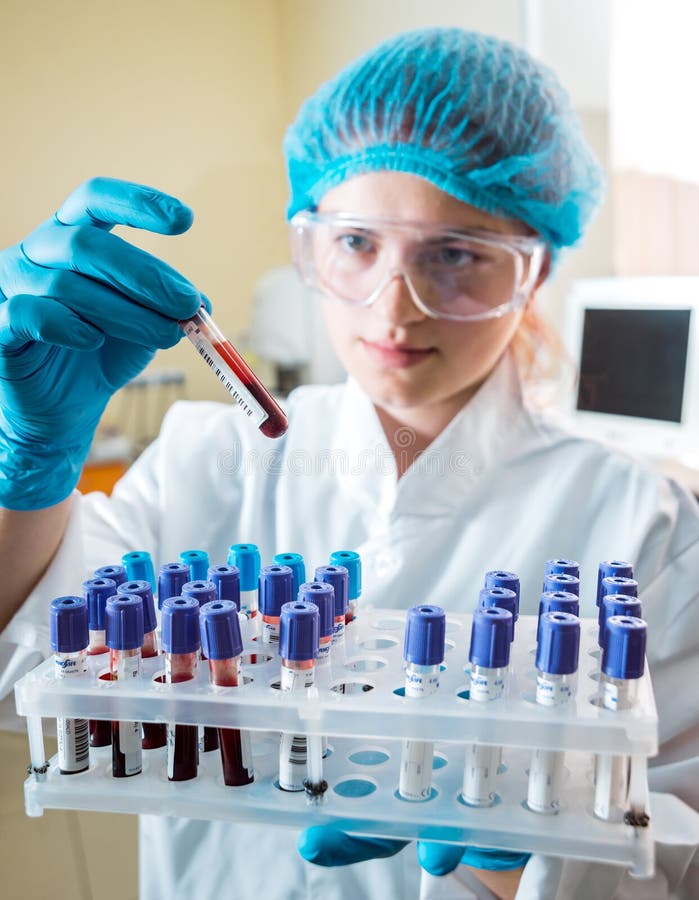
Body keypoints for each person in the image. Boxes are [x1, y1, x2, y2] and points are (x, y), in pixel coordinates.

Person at [1, 25, 698, 900]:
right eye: (358, 244)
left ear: (534, 267)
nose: (394, 310)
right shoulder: (207, 459)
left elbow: (678, 850)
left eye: (454, 254)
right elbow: (34, 672)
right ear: (310, 242)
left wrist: (534, 860)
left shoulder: (648, 526)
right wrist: (24, 478)